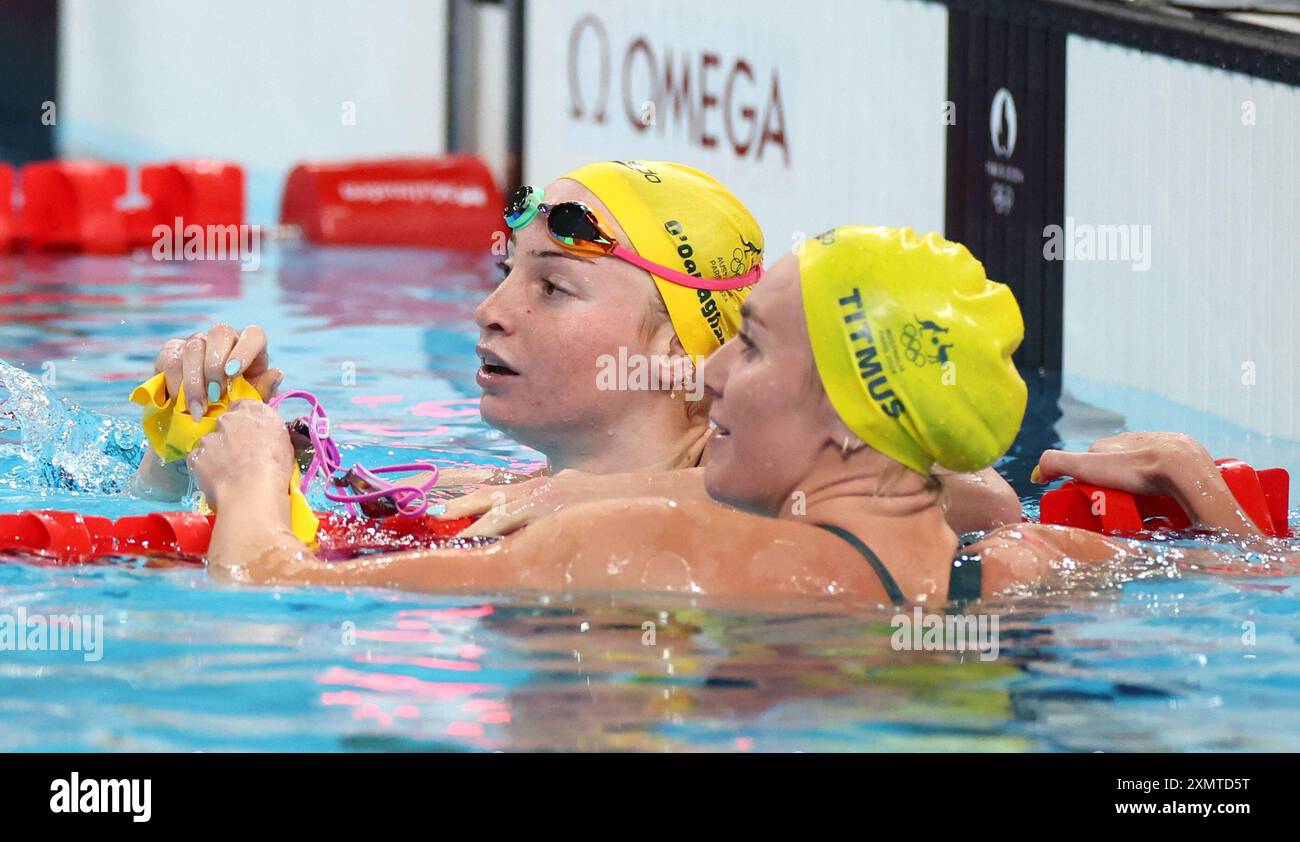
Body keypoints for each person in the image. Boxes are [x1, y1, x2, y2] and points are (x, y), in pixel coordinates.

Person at [186, 226, 1290, 601]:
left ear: (853, 427)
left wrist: (245, 482)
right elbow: (1262, 581)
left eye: (750, 349)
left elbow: (277, 588)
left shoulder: (633, 544)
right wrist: (1201, 489)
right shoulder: (1022, 565)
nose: (715, 374)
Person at [130, 163, 1022, 533]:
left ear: (679, 350)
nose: (488, 310)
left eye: (551, 287)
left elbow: (980, 495)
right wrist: (188, 444)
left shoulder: (762, 506)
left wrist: (596, 497)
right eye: (506, 272)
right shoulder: (480, 492)